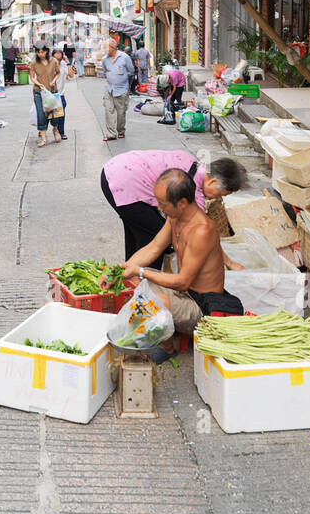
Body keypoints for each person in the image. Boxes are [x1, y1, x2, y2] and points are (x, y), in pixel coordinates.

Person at [107, 168, 246, 362]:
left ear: (181, 203)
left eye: (163, 204)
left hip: (202, 306)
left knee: (154, 302)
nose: (159, 207)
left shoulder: (201, 230)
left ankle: (167, 347)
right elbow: (154, 248)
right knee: (132, 280)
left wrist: (141, 271)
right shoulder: (174, 218)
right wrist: (120, 271)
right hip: (185, 292)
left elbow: (182, 281)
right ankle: (166, 329)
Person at [100, 151, 248, 262]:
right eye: (221, 193)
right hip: (123, 184)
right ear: (212, 182)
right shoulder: (192, 190)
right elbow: (199, 233)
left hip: (114, 169)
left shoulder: (190, 161)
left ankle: (130, 277)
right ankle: (146, 285)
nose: (218, 198)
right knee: (153, 238)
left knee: (140, 231)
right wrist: (226, 261)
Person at [100, 38, 134, 142]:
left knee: (121, 112)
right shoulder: (105, 59)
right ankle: (111, 133)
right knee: (108, 111)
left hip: (122, 90)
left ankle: (121, 130)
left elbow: (131, 71)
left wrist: (123, 82)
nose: (104, 49)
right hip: (109, 89)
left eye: (106, 47)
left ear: (112, 47)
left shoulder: (125, 57)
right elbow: (105, 72)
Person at [29, 46, 61, 147]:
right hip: (39, 92)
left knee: (54, 114)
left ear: (47, 51)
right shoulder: (34, 62)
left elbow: (58, 73)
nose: (40, 55)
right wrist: (38, 84)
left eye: (42, 52)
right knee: (41, 114)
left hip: (52, 91)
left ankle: (55, 130)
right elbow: (32, 77)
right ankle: (43, 138)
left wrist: (53, 81)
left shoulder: (54, 61)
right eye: (38, 52)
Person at [49, 48, 75, 141]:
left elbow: (71, 75)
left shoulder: (64, 64)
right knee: (47, 115)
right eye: (56, 59)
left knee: (61, 114)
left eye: (60, 59)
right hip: (49, 94)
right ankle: (42, 130)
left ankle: (61, 132)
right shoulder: (48, 65)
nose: (58, 61)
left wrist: (67, 62)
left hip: (60, 94)